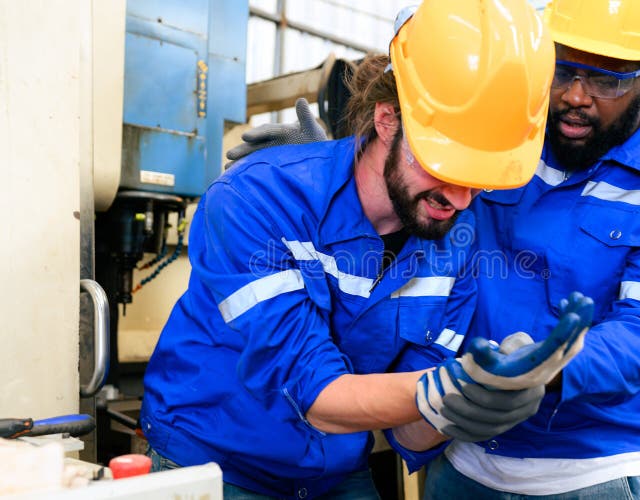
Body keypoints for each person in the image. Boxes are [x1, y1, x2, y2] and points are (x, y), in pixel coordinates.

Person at [232, 0, 640, 498]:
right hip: (461, 458)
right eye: (561, 70)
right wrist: (332, 172)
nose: (575, 96)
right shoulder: (501, 136)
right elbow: (415, 178)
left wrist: (545, 367)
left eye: (607, 80)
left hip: (588, 473)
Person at [141, 2, 586, 499]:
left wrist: (472, 404)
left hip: (333, 470)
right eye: (446, 166)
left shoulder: (457, 244)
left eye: (478, 179)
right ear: (388, 119)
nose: (461, 199)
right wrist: (441, 387)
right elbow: (317, 394)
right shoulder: (257, 198)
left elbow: (408, 433)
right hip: (215, 463)